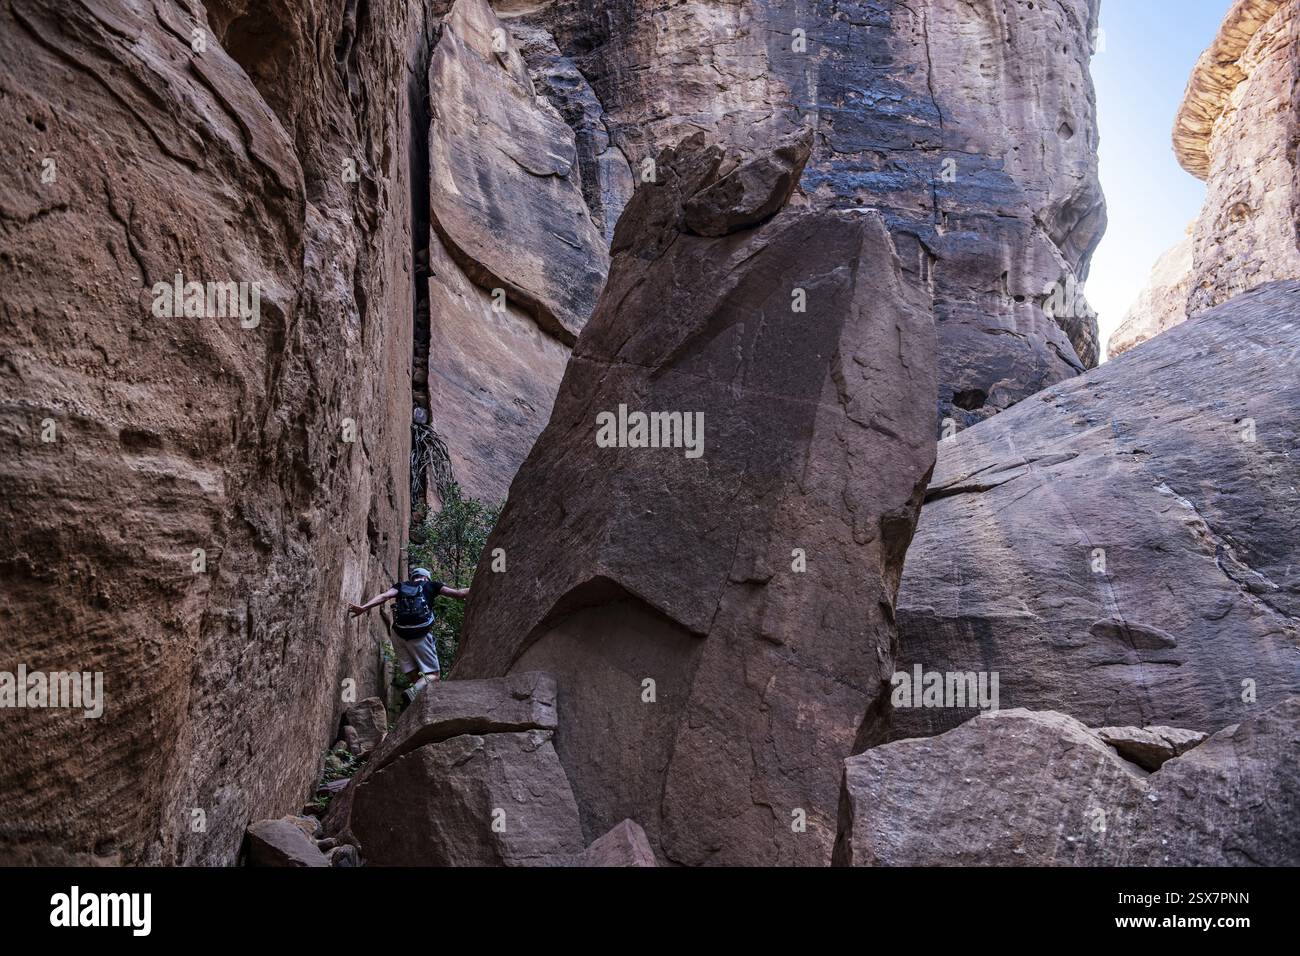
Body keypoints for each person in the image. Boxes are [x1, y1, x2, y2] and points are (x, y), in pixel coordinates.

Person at [348, 568, 468, 701]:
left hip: (398, 633)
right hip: (419, 634)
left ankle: (415, 698)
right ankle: (413, 693)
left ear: (412, 578)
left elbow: (384, 596)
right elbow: (459, 594)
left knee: (415, 676)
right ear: (427, 578)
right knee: (433, 675)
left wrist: (363, 607)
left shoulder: (401, 586)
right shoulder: (432, 585)